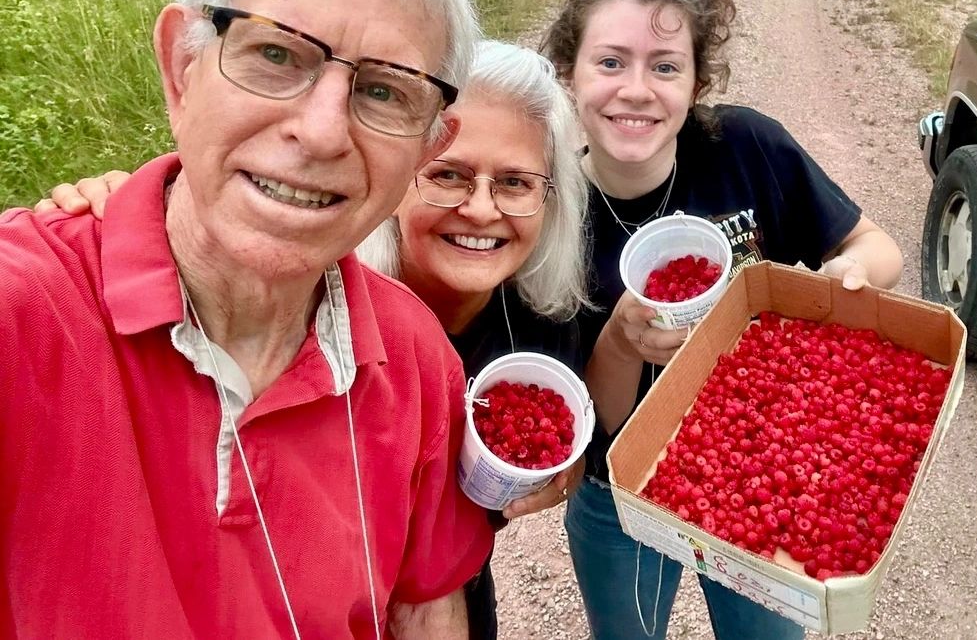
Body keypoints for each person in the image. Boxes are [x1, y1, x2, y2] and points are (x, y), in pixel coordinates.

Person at [0, 0, 495, 639]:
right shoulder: (22, 316)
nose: (323, 130)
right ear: (182, 67)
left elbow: (424, 608)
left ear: (429, 145)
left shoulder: (419, 360)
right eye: (275, 52)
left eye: (384, 89)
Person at [36, 40, 591, 640]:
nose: (481, 210)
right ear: (402, 168)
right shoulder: (306, 283)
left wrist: (568, 464)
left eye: (515, 183)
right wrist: (123, 215)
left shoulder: (541, 327)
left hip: (438, 580)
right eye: (449, 175)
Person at [540, 0, 905, 640]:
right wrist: (620, 338)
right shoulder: (553, 216)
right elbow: (597, 434)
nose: (636, 90)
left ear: (697, 83)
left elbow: (875, 247)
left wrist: (837, 284)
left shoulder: (745, 149)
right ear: (569, 73)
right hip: (624, 493)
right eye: (610, 61)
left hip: (757, 471)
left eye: (666, 66)